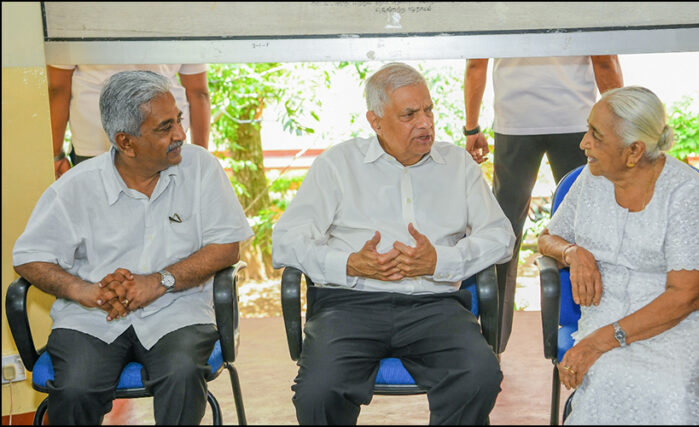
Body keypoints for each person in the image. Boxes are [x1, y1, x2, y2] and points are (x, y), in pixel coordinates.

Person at [272, 62, 515, 425]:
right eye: (409, 114)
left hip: (434, 306)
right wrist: (348, 264)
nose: (425, 123)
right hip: (350, 306)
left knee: (478, 377)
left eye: (428, 110)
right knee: (318, 392)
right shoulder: (338, 165)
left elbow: (501, 237)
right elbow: (286, 240)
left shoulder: (458, 165)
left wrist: (441, 261)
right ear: (375, 121)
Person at [12, 70, 253, 425]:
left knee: (182, 372)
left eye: (179, 120)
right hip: (92, 318)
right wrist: (84, 291)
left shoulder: (202, 168)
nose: (180, 134)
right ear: (126, 142)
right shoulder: (76, 187)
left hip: (177, 310)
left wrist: (159, 281)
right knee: (75, 387)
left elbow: (226, 247)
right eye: (165, 127)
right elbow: (30, 257)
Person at [537, 86, 699, 424]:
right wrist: (572, 252)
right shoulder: (591, 178)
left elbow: (688, 296)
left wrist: (600, 341)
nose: (584, 143)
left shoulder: (684, 190)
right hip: (608, 309)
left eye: (596, 135)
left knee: (670, 392)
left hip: (687, 320)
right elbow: (546, 238)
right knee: (609, 379)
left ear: (634, 151)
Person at [463, 55, 623, 352]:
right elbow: (604, 61)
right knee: (589, 228)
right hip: (574, 117)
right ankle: (596, 327)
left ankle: (493, 346)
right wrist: (623, 125)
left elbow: (476, 64)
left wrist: (472, 128)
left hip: (516, 119)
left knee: (503, 235)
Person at [47, 64, 211, 178]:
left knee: (98, 214)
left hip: (93, 138)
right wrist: (200, 161)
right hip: (164, 141)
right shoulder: (184, 23)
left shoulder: (70, 23)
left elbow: (58, 89)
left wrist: (55, 154)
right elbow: (198, 93)